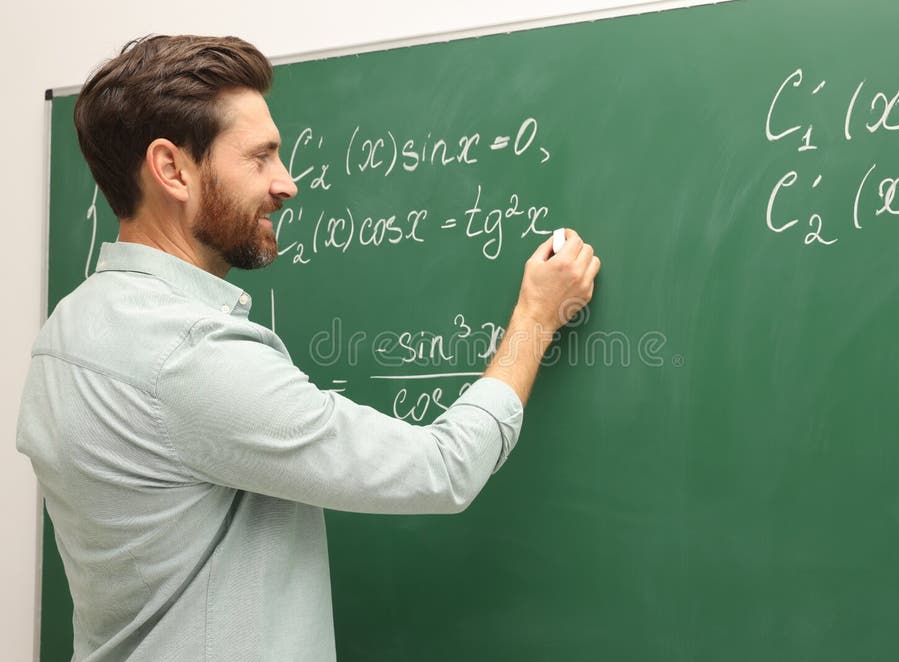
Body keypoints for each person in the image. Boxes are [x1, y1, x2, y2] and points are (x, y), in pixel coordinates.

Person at [17, 35, 600, 661]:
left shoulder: (66, 331)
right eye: (261, 157)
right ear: (172, 169)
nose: (286, 183)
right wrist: (536, 316)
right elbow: (443, 469)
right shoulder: (189, 355)